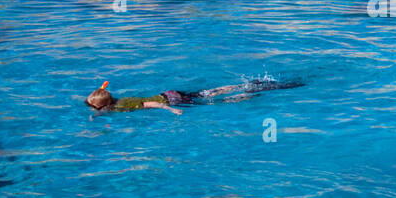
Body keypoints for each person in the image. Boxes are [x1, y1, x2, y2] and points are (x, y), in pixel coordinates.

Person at [85, 75, 300, 116]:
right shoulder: (116, 100)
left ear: (103, 106)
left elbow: (147, 103)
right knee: (208, 93)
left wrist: (170, 109)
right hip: (169, 92)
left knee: (216, 103)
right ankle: (244, 85)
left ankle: (249, 95)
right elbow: (100, 97)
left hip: (171, 100)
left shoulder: (120, 108)